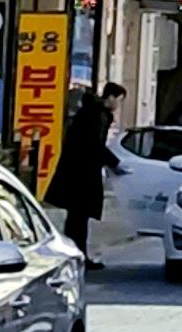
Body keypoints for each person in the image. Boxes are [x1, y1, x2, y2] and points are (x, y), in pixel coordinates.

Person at [48, 80, 125, 263]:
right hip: (81, 173)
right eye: (119, 100)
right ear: (111, 97)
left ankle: (77, 254)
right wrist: (114, 163)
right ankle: (76, 254)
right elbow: (94, 144)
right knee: (78, 217)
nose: (118, 105)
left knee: (78, 217)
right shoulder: (97, 115)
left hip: (78, 170)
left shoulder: (93, 111)